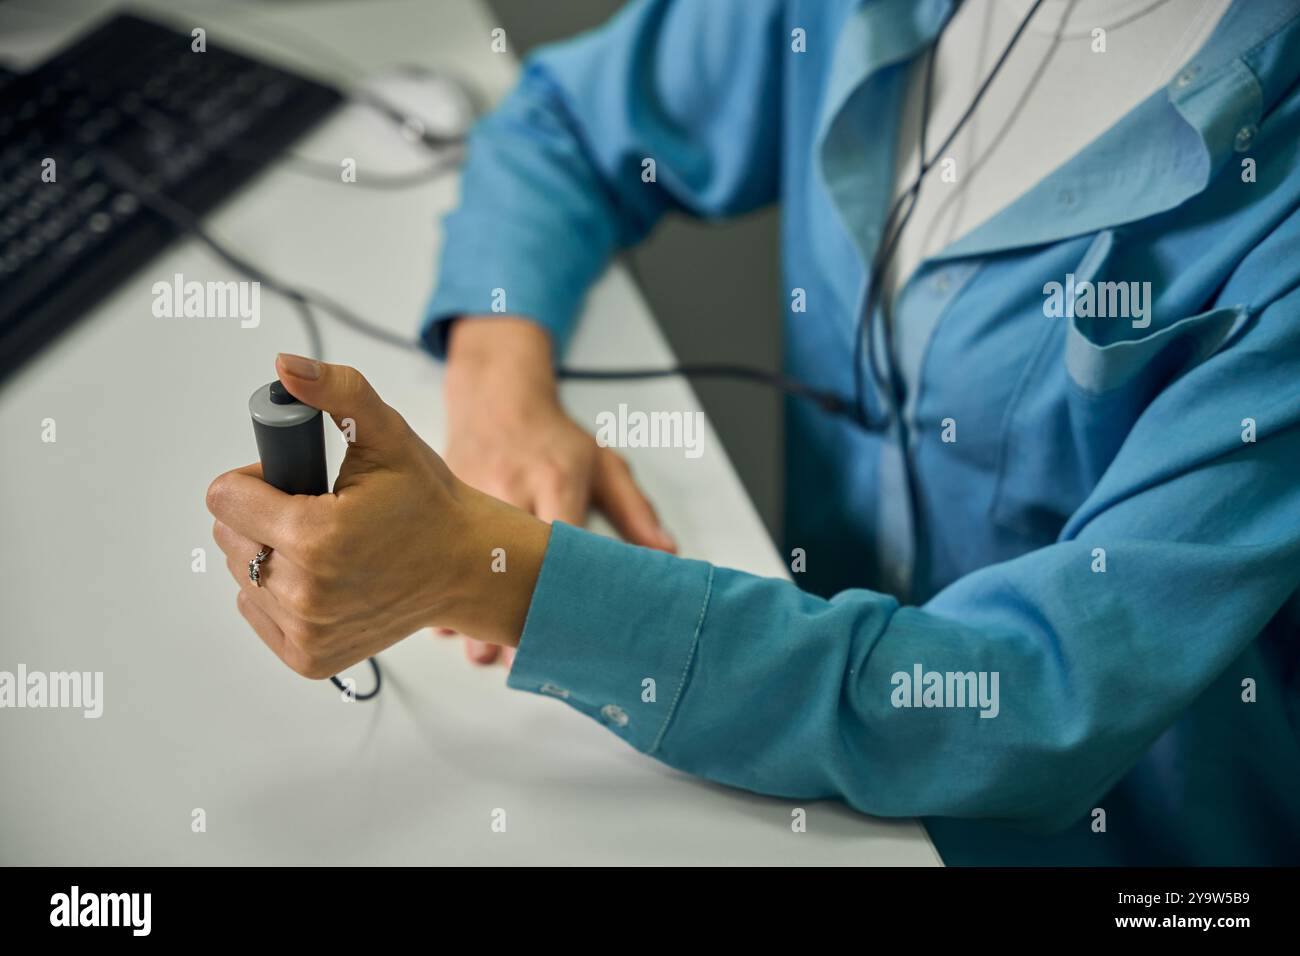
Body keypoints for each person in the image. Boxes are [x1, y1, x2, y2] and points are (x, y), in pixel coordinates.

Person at [206, 0, 1300, 865]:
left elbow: (1034, 693)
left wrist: (492, 577)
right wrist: (499, 390)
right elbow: (567, 123)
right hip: (774, 732)